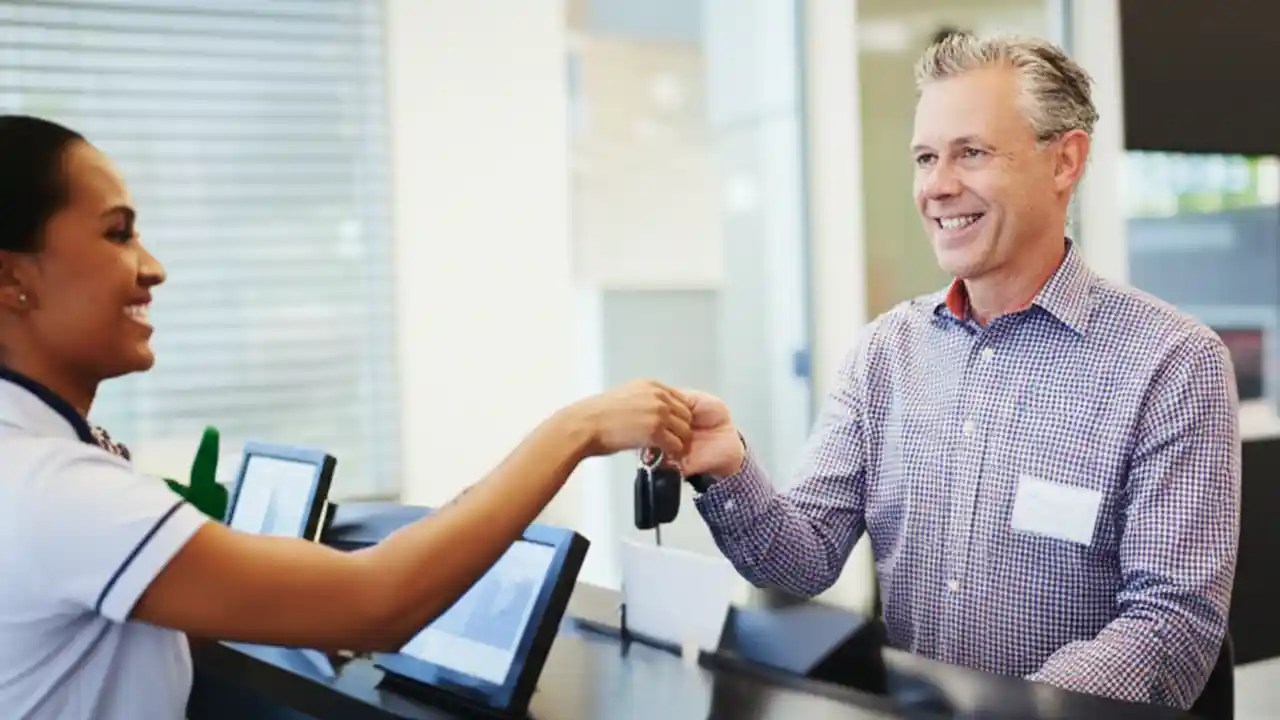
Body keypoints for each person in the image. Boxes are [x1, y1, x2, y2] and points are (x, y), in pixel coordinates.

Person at [0, 114, 695, 720]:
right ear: (11, 279)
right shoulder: (55, 488)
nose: (152, 268)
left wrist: (286, 602)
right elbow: (376, 605)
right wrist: (578, 430)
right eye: (118, 235)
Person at [677, 33, 1240, 710]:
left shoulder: (1174, 363)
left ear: (1065, 162)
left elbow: (1170, 629)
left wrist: (1011, 708)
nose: (938, 186)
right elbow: (803, 560)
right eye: (925, 158)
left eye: (971, 153)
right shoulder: (885, 353)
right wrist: (727, 468)